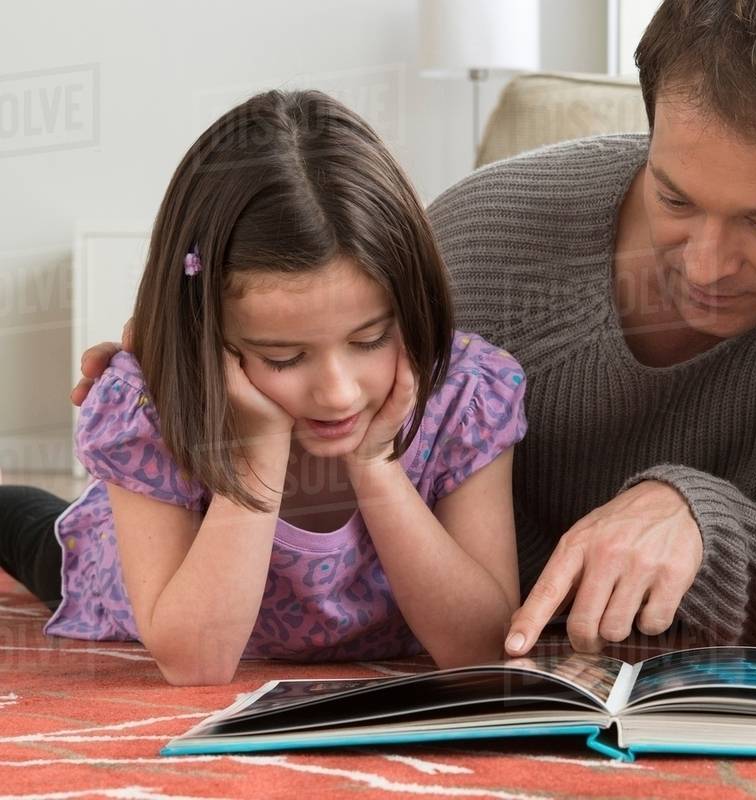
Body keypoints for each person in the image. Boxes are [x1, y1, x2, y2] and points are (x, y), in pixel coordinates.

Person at [74, 0, 756, 658]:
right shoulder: (487, 237)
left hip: (512, 640)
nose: (704, 264)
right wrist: (172, 349)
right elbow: (316, 313)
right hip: (327, 583)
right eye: (676, 200)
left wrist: (705, 522)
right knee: (58, 542)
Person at [3, 90, 526, 685]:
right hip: (129, 585)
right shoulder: (152, 403)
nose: (336, 392)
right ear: (208, 333)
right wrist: (255, 445)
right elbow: (196, 664)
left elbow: (483, 645)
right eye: (283, 356)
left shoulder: (466, 395)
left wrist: (377, 465)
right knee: (22, 525)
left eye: (370, 340)